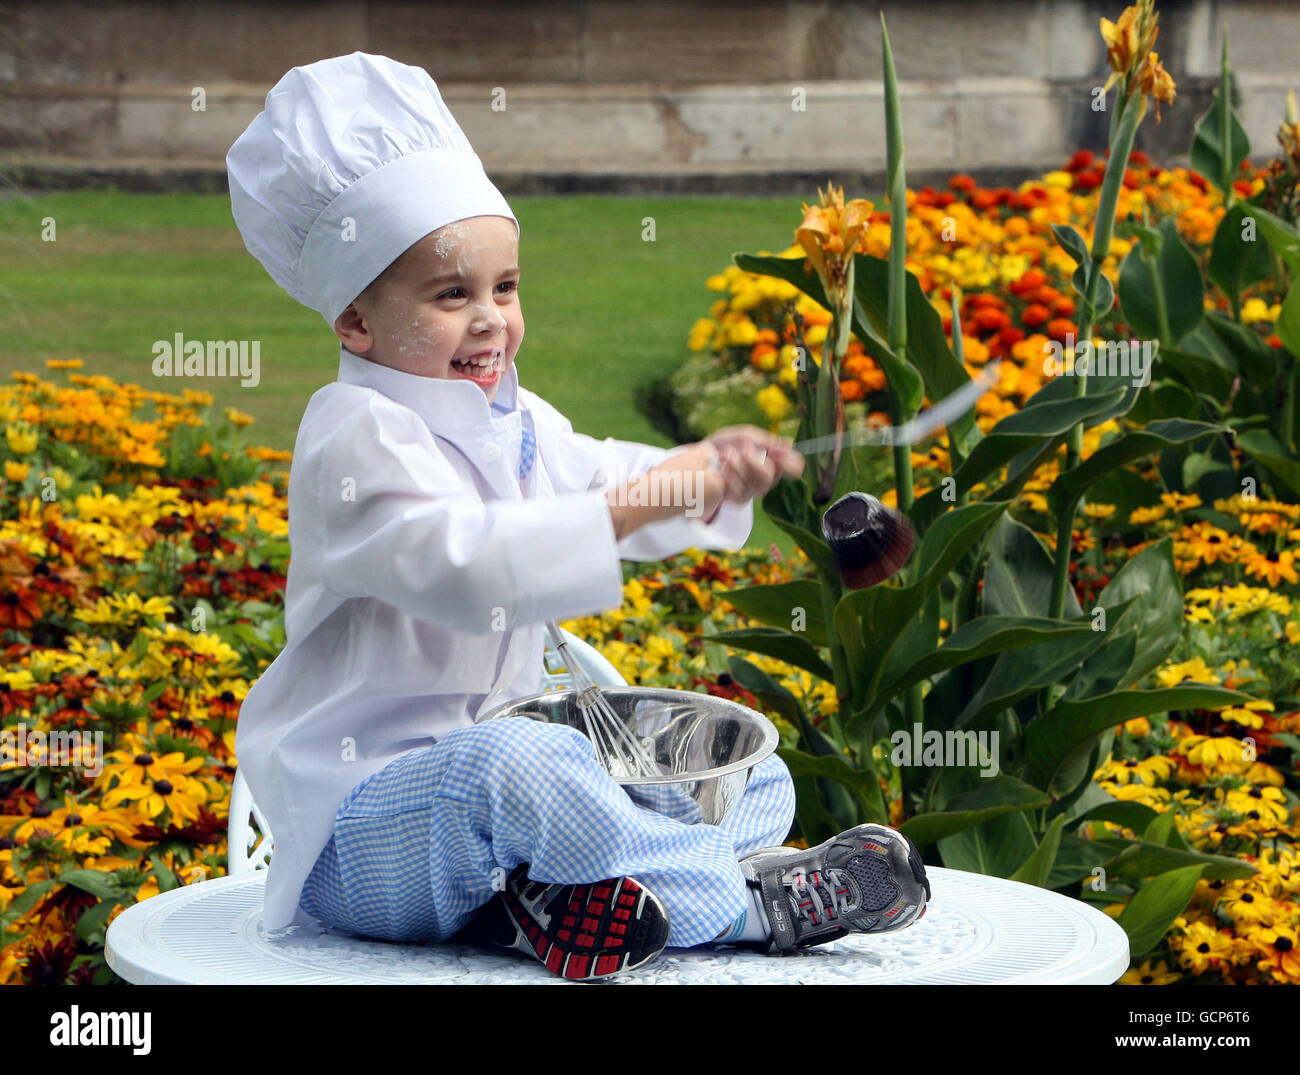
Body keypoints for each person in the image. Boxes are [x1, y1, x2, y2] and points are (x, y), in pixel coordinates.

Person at [227, 52, 929, 982]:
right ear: (355, 320)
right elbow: (466, 566)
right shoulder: (352, 437)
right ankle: (748, 904)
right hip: (366, 829)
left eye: (504, 288)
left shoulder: (511, 417)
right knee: (527, 763)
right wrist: (637, 501)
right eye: (452, 294)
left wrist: (701, 476)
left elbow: (600, 471)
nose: (490, 321)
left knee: (751, 768)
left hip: (500, 823)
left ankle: (554, 909)